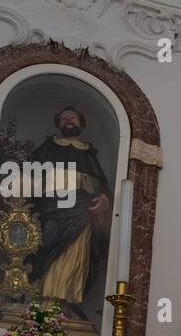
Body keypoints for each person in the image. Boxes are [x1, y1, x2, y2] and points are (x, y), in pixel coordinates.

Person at [23, 106, 114, 319]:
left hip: (82, 211)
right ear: (58, 124)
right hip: (51, 208)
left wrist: (104, 199)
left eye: (72, 117)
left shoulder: (89, 153)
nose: (69, 120)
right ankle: (43, 300)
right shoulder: (47, 147)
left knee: (77, 254)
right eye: (64, 118)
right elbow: (30, 177)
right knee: (46, 247)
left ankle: (65, 301)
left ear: (81, 123)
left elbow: (102, 185)